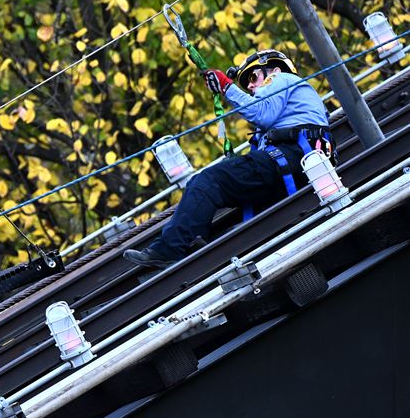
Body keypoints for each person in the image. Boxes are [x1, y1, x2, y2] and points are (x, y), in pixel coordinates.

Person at [124, 49, 332, 269]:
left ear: (274, 70)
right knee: (210, 182)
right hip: (295, 163)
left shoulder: (282, 78)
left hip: (293, 157)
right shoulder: (291, 109)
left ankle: (169, 248)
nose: (250, 86)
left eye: (253, 78)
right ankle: (194, 240)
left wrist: (225, 85)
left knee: (209, 181)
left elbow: (261, 112)